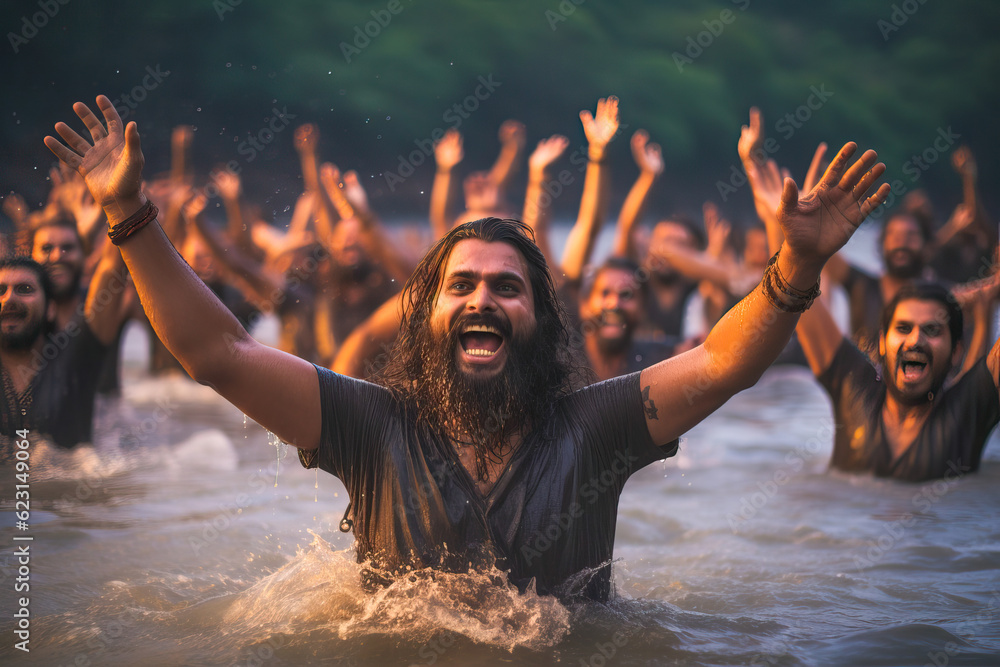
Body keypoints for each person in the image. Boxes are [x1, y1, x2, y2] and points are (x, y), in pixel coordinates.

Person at [45, 95, 889, 600]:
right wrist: (131, 218)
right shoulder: (368, 424)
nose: (483, 297)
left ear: (544, 322)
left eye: (508, 286)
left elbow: (720, 361)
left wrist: (798, 263)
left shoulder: (594, 426)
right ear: (426, 317)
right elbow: (219, 355)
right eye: (461, 285)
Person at [795, 279, 1000, 482]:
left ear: (956, 352)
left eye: (932, 330)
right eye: (903, 328)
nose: (915, 341)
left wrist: (986, 309)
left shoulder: (968, 410)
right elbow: (796, 276)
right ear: (882, 343)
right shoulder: (853, 385)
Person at [0, 253, 123, 453]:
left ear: (50, 308)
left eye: (24, 289)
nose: (9, 298)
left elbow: (112, 269)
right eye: (0, 290)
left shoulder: (77, 357)